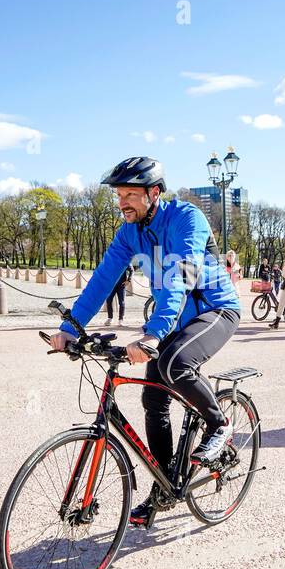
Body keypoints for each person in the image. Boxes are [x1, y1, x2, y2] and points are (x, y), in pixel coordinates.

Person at [47, 156, 242, 526]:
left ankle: (219, 424)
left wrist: (154, 332)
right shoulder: (128, 233)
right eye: (119, 195)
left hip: (215, 310)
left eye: (130, 194)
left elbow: (179, 276)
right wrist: (71, 328)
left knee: (174, 365)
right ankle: (165, 485)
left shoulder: (187, 218)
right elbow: (102, 280)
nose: (123, 202)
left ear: (154, 193)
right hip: (172, 320)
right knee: (153, 397)